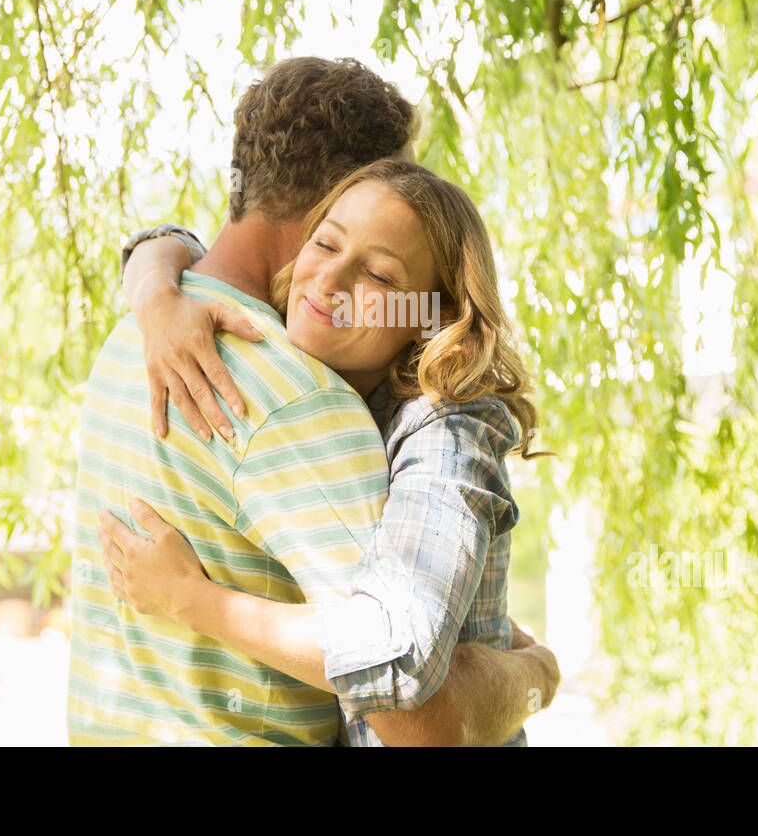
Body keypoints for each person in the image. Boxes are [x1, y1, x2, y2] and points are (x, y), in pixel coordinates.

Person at [67, 57, 557, 746]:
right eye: (329, 238)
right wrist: (537, 674)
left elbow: (400, 678)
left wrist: (154, 280)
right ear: (330, 207)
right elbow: (416, 716)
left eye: (382, 272)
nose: (329, 279)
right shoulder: (296, 397)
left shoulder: (132, 340)